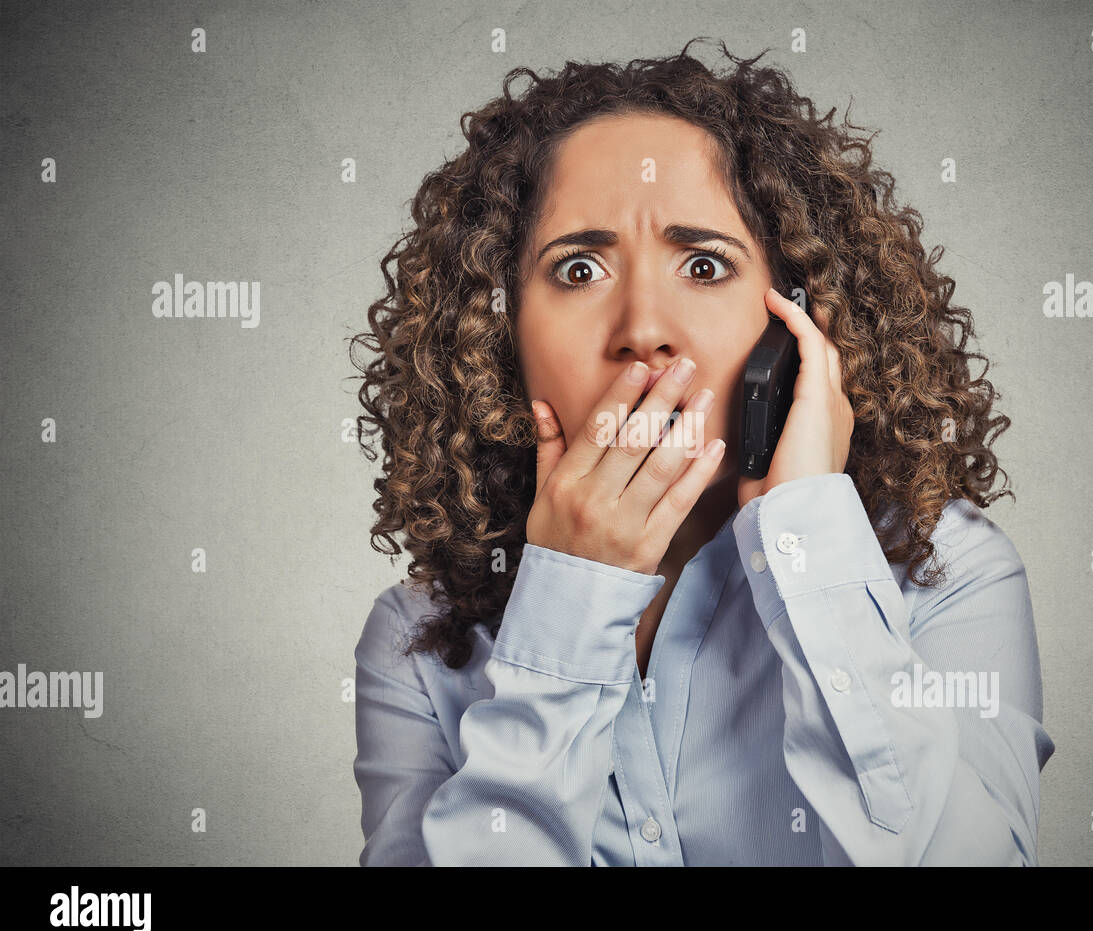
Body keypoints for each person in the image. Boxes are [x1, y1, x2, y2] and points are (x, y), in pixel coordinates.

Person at [348, 39, 1054, 865]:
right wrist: (568, 608)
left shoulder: (947, 571)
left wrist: (808, 537)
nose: (643, 327)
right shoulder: (418, 643)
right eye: (578, 269)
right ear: (495, 334)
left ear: (799, 323)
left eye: (704, 263)